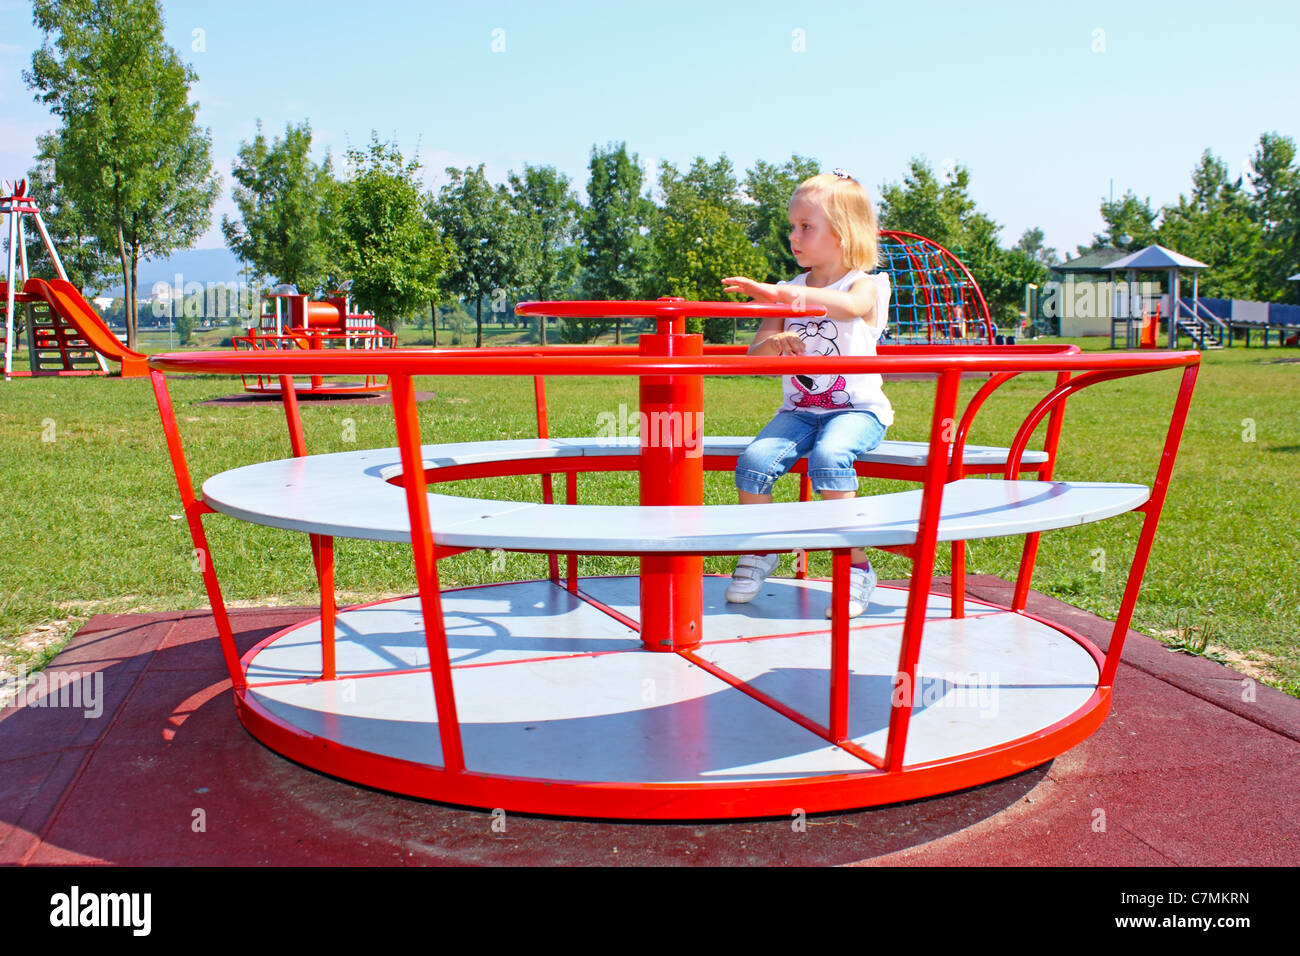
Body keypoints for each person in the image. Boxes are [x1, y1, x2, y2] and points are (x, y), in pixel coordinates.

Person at [721, 168, 893, 618]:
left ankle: (855, 565)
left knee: (830, 457)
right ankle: (762, 548)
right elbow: (754, 359)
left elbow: (852, 309)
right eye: (792, 227)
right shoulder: (788, 293)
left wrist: (776, 294)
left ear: (842, 234)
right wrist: (772, 342)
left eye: (806, 227)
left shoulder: (865, 284)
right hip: (800, 409)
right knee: (754, 462)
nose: (794, 237)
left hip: (855, 410)